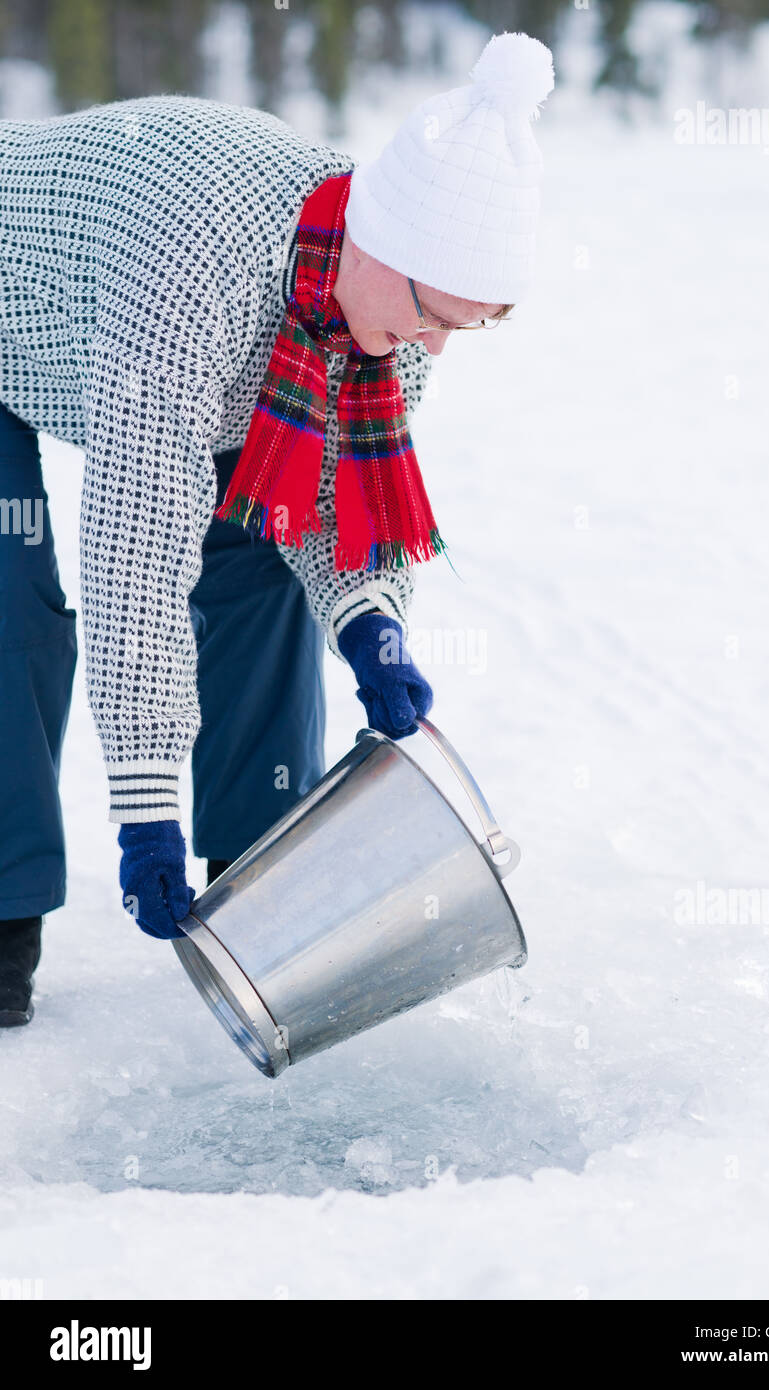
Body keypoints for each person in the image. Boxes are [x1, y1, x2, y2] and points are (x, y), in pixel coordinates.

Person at [0, 31, 554, 1025]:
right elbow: (137, 559)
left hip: (201, 355)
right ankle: (0, 928)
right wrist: (144, 810)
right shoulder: (194, 274)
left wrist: (370, 624)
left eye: (464, 326)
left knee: (267, 562)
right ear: (381, 243)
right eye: (433, 312)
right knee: (10, 610)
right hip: (33, 291)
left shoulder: (390, 315)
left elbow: (338, 511)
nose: (434, 343)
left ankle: (256, 885)